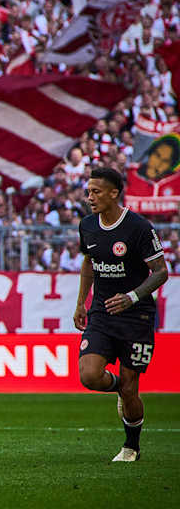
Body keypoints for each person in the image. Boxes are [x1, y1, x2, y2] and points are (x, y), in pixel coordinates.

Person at [73, 167, 168, 462]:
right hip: (101, 311)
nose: (90, 197)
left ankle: (131, 447)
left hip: (135, 315)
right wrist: (80, 303)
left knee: (132, 389)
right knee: (89, 375)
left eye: (96, 192)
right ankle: (117, 387)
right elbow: (89, 263)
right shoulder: (87, 225)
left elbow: (161, 271)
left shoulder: (138, 227)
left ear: (114, 193)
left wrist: (132, 297)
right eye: (88, 192)